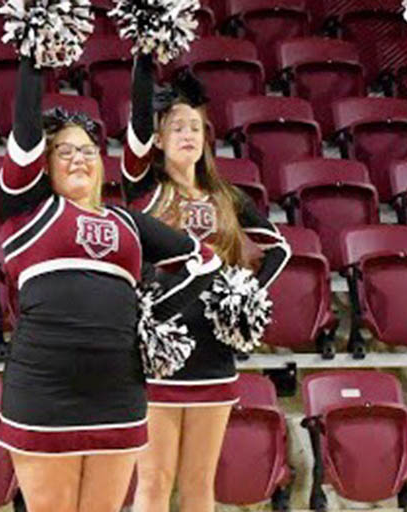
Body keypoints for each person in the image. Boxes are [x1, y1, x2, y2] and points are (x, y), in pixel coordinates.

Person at [0, 52, 222, 512]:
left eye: (88, 150)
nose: (79, 158)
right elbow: (23, 133)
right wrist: (34, 50)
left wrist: (154, 315)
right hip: (45, 391)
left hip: (118, 391)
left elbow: (205, 261)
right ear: (45, 163)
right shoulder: (28, 211)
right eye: (65, 151)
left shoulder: (129, 222)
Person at [123, 56, 290, 512]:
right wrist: (145, 54)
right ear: (157, 138)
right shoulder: (143, 190)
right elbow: (137, 118)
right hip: (160, 351)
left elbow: (280, 250)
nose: (187, 135)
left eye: (195, 127)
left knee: (199, 485)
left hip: (213, 351)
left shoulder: (227, 196)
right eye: (176, 127)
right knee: (154, 483)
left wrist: (247, 294)